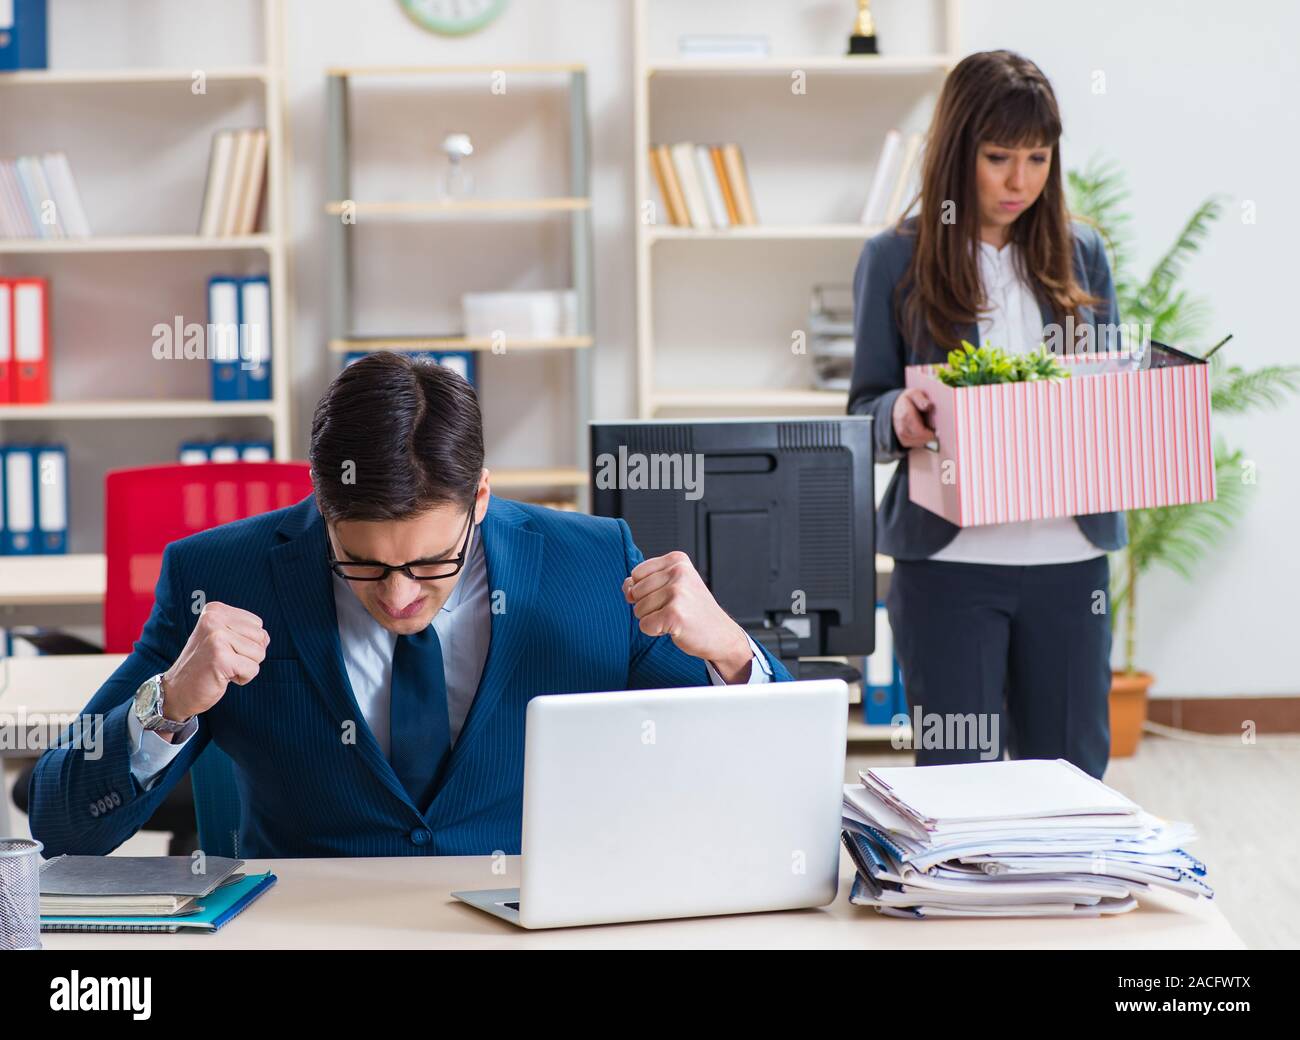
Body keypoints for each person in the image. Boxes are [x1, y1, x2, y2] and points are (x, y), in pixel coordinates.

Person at [29, 353, 791, 857]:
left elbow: (776, 781)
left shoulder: (590, 566)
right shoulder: (221, 575)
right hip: (310, 934)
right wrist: (167, 703)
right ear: (321, 505)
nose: (397, 597)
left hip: (526, 925)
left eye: (432, 563)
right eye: (360, 562)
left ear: (481, 498)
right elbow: (59, 822)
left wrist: (731, 651)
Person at [848, 50, 1125, 779]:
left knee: (1072, 780)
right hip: (949, 567)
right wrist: (899, 417)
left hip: (1071, 562)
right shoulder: (894, 259)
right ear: (955, 150)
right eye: (999, 157)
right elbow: (864, 409)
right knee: (959, 783)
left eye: (1038, 158)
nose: (1019, 181)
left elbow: (1107, 385)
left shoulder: (1081, 252)